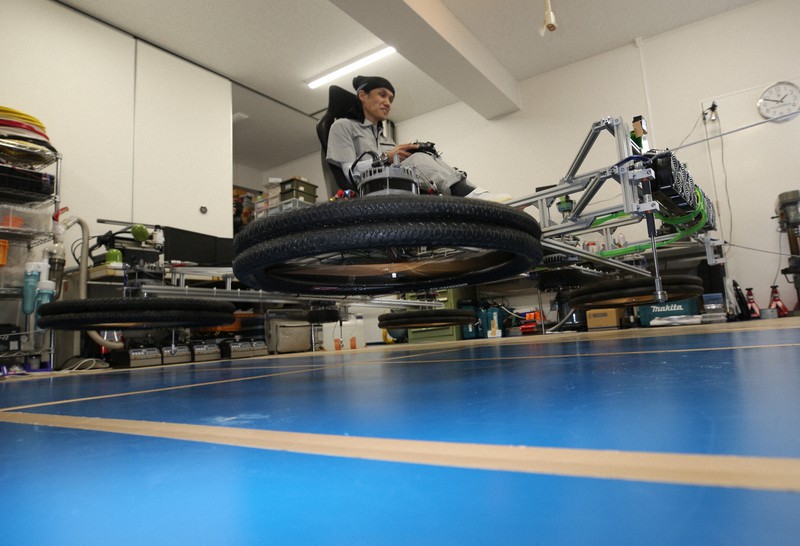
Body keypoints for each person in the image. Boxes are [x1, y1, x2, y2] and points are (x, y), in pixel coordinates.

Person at [326, 75, 512, 202]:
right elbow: (349, 173)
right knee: (417, 160)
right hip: (369, 188)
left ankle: (476, 197)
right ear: (362, 95)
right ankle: (475, 198)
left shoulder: (386, 140)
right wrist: (385, 158)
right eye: (382, 95)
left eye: (391, 99)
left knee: (425, 156)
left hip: (398, 186)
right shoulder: (342, 126)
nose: (387, 103)